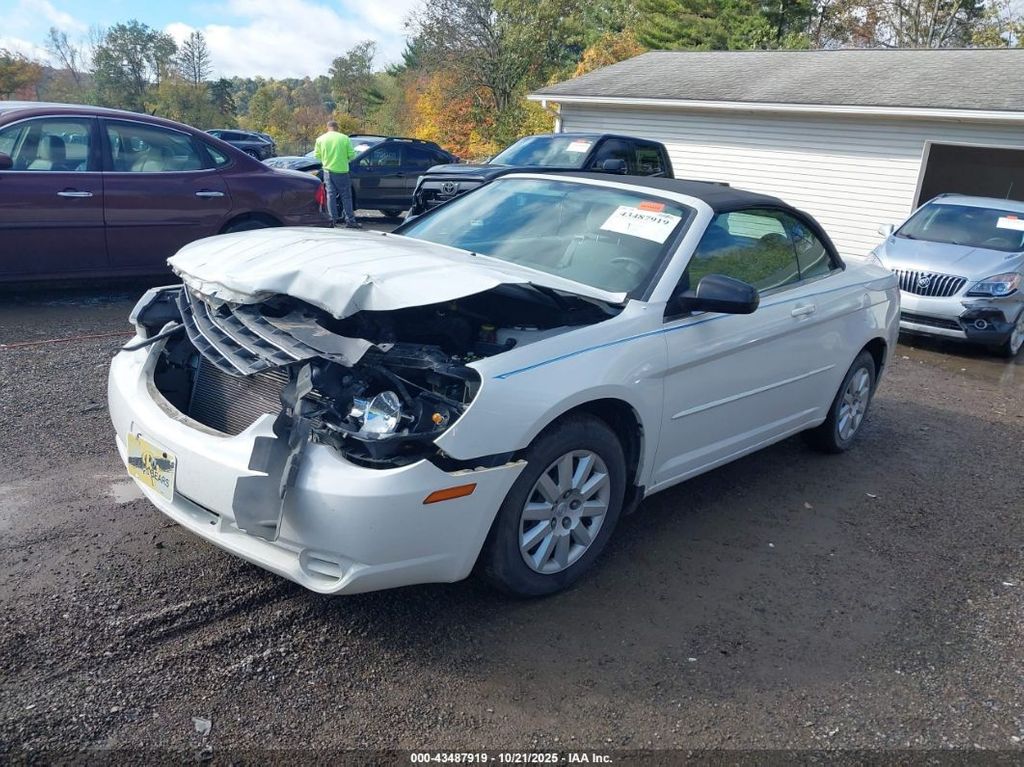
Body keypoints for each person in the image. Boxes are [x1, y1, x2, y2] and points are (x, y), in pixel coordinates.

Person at [314, 120, 360, 228]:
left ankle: (332, 220)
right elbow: (352, 155)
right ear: (337, 127)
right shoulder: (344, 138)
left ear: (327, 128)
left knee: (331, 196)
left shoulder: (320, 139)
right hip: (342, 171)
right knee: (346, 196)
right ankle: (350, 221)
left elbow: (317, 155)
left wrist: (326, 160)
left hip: (327, 171)